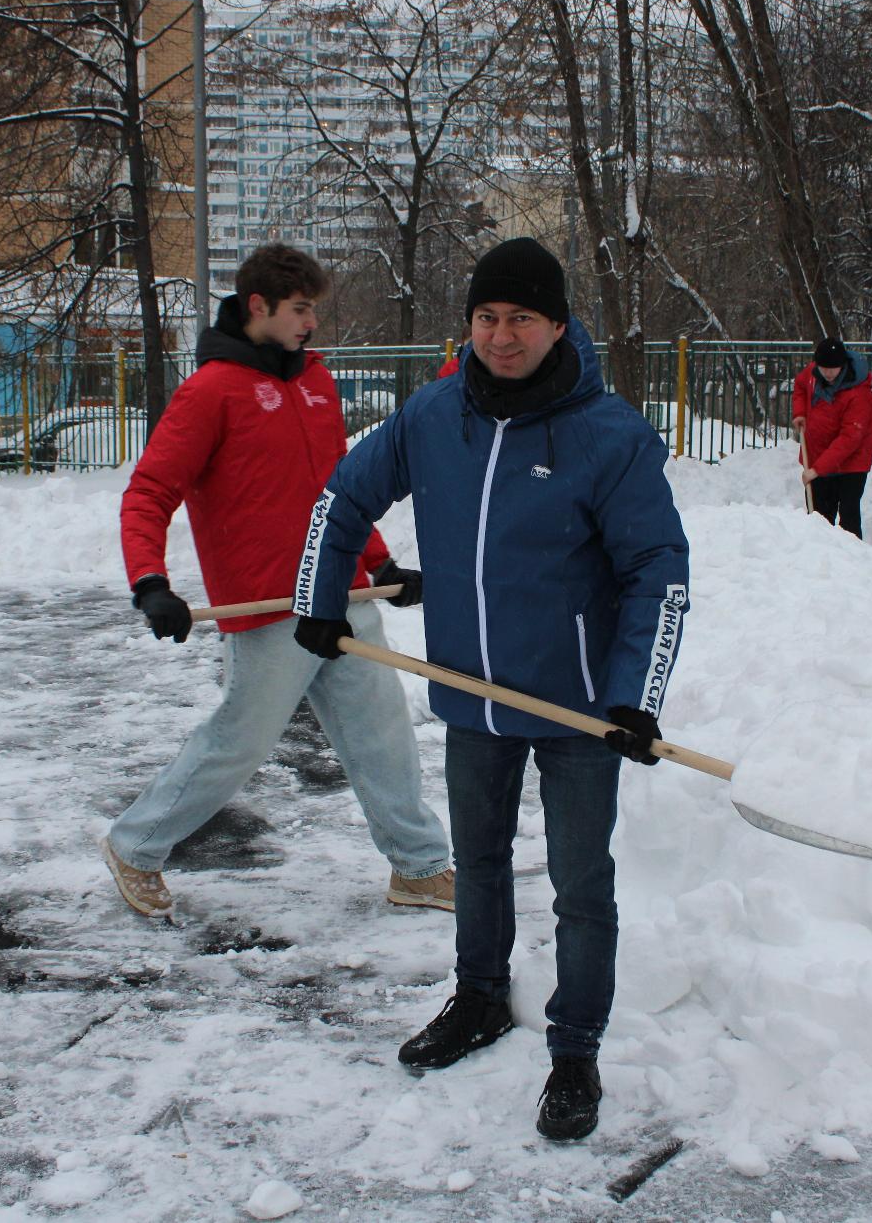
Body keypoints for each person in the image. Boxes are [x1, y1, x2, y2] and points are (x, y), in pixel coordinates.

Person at [292, 236, 689, 1143]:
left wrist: (636, 697)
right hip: (471, 696)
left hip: (578, 710)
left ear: (557, 325)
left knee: (582, 884)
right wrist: (320, 601)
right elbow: (341, 498)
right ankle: (477, 999)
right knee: (477, 865)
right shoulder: (433, 417)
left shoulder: (610, 437)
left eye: (520, 319)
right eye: (486, 318)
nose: (501, 337)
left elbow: (659, 570)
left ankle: (576, 1047)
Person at [104, 243, 454, 921]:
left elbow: (337, 488)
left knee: (382, 731)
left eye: (313, 310)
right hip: (267, 605)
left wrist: (376, 563)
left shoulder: (317, 384)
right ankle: (135, 846)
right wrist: (150, 581)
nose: (310, 323)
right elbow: (149, 491)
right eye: (300, 310)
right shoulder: (210, 392)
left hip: (343, 594)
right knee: (242, 741)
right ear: (258, 306)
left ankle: (419, 867)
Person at [790, 337, 872, 537]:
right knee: (818, 519)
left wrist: (817, 470)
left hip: (851, 463)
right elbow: (801, 386)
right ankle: (819, 559)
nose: (828, 373)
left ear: (843, 365)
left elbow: (850, 439)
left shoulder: (859, 394)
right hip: (817, 456)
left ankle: (852, 562)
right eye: (824, 368)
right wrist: (800, 412)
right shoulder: (813, 374)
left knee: (848, 518)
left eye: (833, 368)